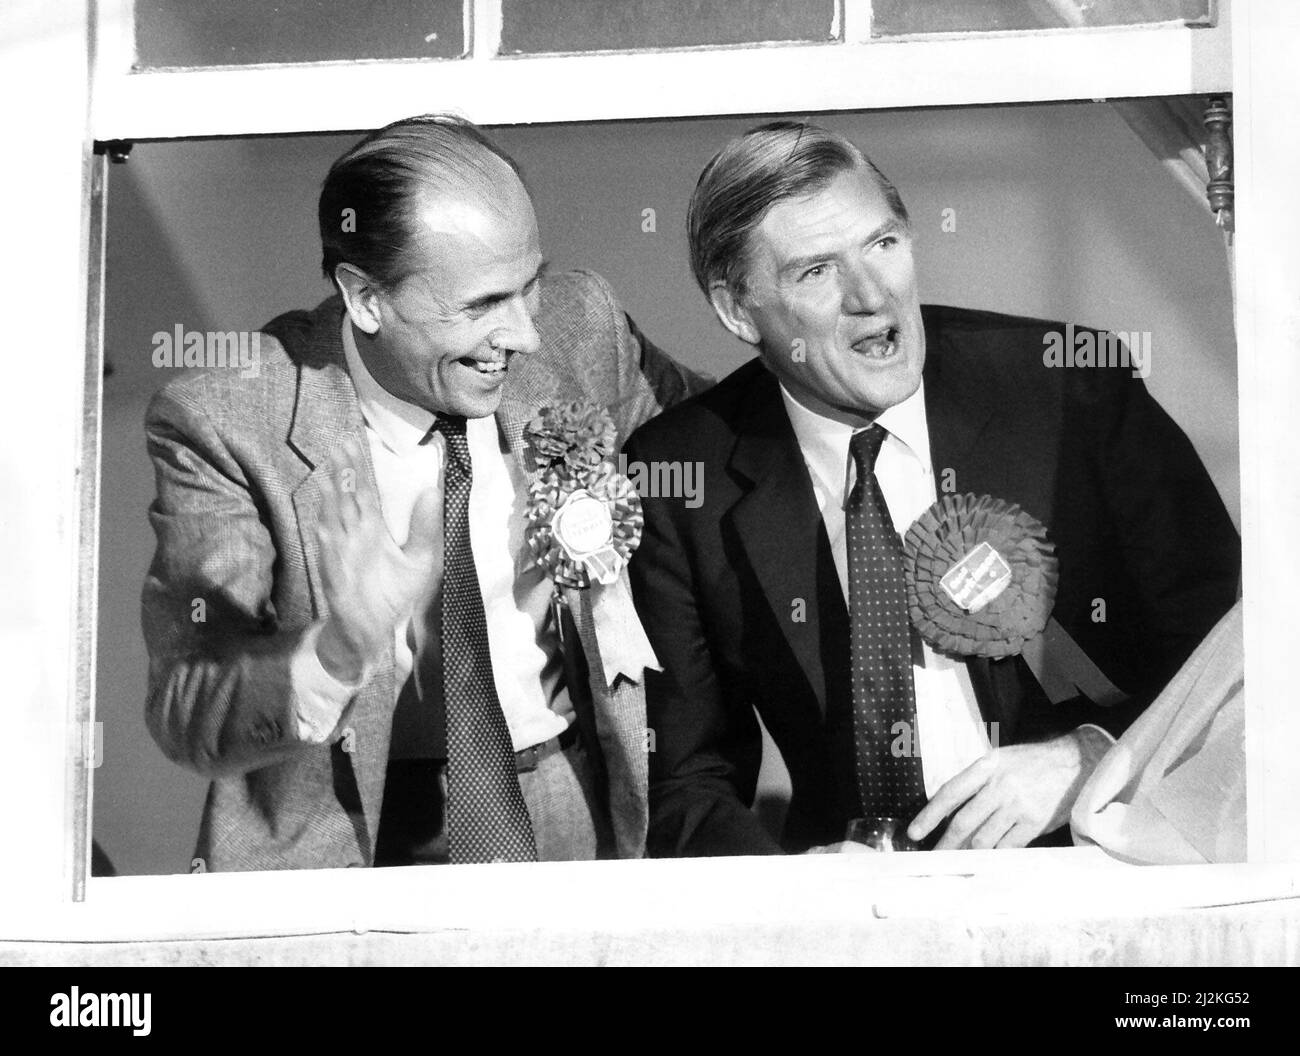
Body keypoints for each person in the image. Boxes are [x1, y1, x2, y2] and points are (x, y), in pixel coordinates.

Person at [625, 120, 1240, 857]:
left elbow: (1235, 652)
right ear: (736, 311)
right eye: (816, 271)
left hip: (1096, 866)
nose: (872, 296)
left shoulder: (1069, 387)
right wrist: (794, 886)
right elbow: (684, 783)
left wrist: (1091, 756)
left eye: (883, 244)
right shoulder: (677, 478)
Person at [142, 114, 708, 870]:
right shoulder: (225, 421)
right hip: (350, 836)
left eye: (529, 284)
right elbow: (189, 707)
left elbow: (722, 450)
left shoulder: (581, 328)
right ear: (366, 298)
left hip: (574, 802)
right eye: (482, 306)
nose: (526, 333)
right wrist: (339, 647)